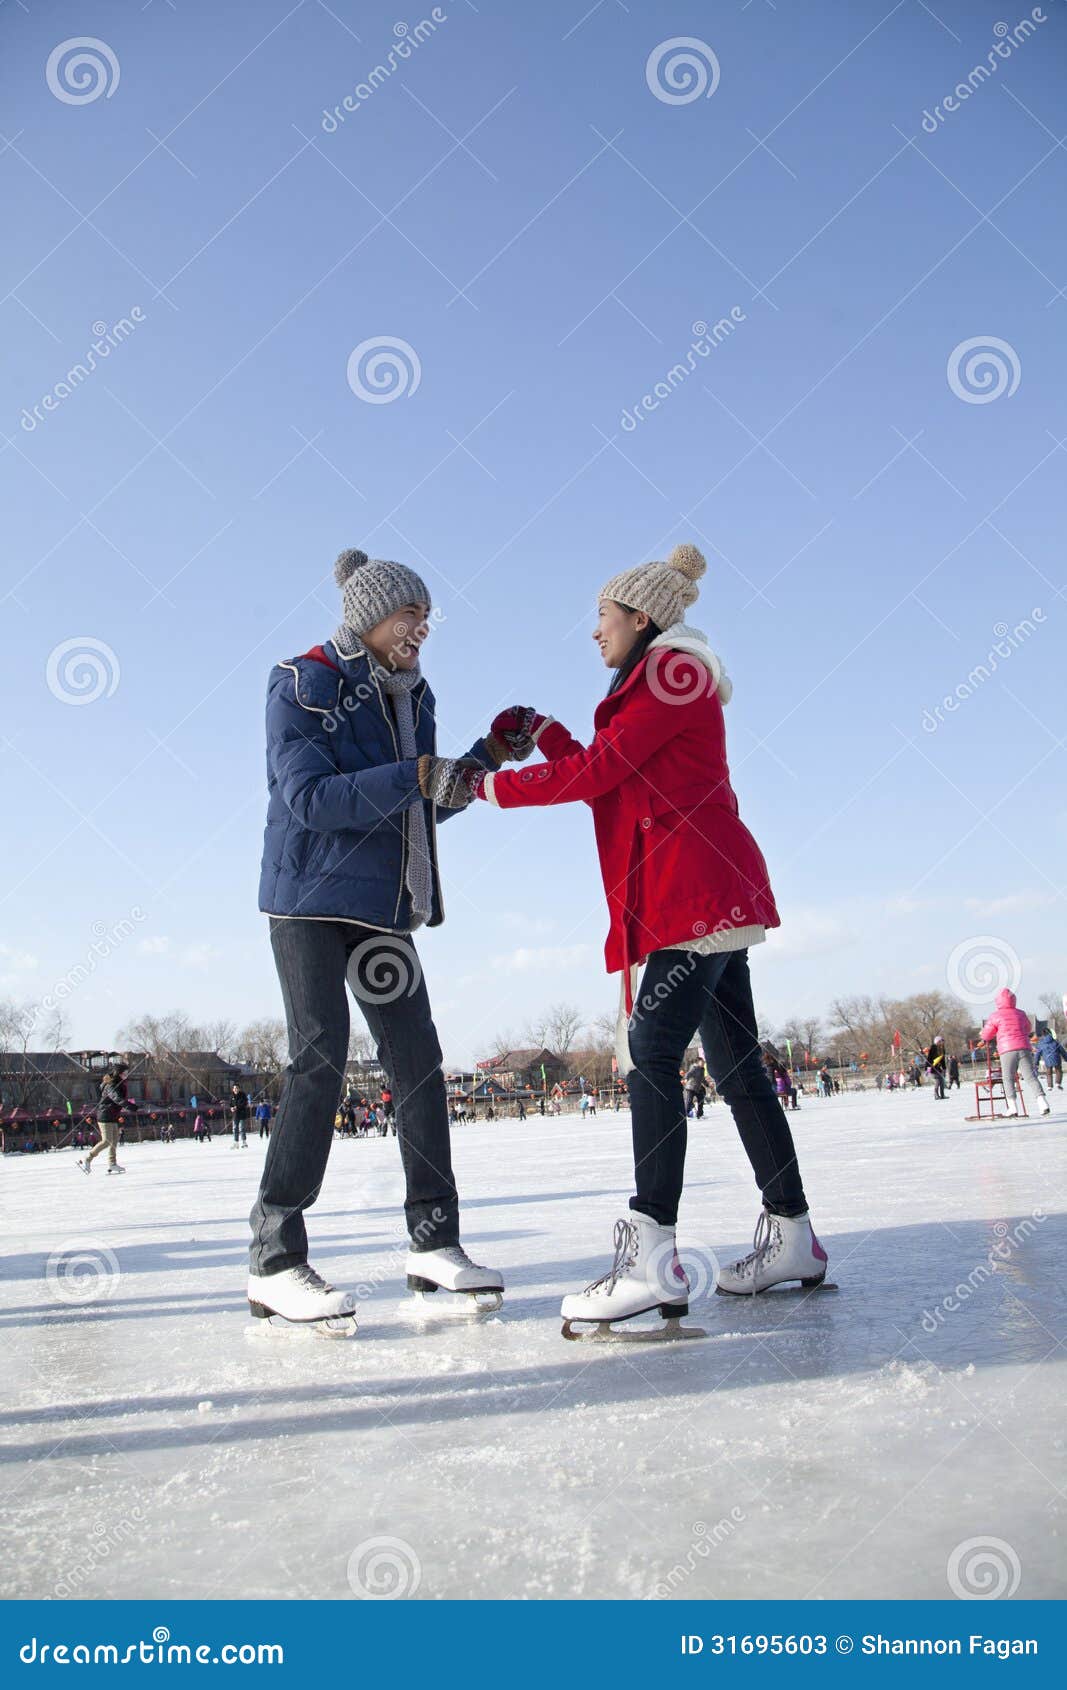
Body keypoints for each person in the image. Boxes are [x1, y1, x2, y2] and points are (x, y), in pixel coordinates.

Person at [468, 543, 826, 1328]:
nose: (592, 633)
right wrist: (549, 731)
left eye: (601, 616)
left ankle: (652, 1258)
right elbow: (611, 767)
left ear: (639, 617)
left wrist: (487, 785)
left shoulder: (674, 673)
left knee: (653, 1054)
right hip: (701, 894)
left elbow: (600, 772)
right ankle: (793, 1234)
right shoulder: (651, 683)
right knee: (736, 1067)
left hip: (691, 895)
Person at [248, 547, 521, 1329]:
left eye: (428, 617)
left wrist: (485, 759)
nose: (423, 629)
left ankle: (433, 1243)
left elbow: (417, 807)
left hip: (380, 908)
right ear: (369, 616)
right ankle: (274, 1257)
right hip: (305, 902)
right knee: (319, 1061)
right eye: (411, 614)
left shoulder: (414, 696)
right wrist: (417, 775)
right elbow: (308, 799)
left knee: (418, 1064)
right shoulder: (301, 681)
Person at [980, 990, 1050, 1118]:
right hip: (1024, 1047)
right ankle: (1042, 1103)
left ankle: (1012, 1107)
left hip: (1007, 1050)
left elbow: (986, 1034)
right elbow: (1028, 1028)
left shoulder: (996, 1016)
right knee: (1030, 1077)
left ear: (998, 1002)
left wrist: (983, 1036)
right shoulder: (1021, 1014)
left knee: (1008, 1077)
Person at [78, 1060, 132, 1174]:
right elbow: (116, 1098)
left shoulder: (119, 1083)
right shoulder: (111, 1085)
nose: (126, 1075)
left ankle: (112, 1164)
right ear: (118, 1073)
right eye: (124, 1073)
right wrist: (129, 1106)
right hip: (105, 1116)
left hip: (113, 1116)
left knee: (114, 1140)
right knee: (107, 1141)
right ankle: (87, 1158)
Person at [925, 1035, 947, 1100]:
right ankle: (936, 1095)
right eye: (941, 1041)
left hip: (939, 1068)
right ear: (937, 1042)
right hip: (933, 1067)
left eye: (942, 1041)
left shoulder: (942, 1049)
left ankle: (942, 1095)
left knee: (942, 1081)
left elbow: (942, 1060)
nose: (942, 1043)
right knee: (938, 1081)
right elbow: (929, 1059)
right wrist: (928, 1068)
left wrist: (944, 1068)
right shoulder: (933, 1047)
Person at [230, 1084, 250, 1148]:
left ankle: (244, 1142)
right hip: (235, 1115)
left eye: (237, 1088)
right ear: (233, 1089)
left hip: (242, 1114)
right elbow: (230, 1104)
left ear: (239, 1089)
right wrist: (231, 1108)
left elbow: (244, 1103)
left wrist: (237, 1107)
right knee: (235, 1128)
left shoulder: (243, 1095)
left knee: (242, 1128)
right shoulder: (232, 1096)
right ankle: (236, 1142)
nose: (235, 1089)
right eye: (234, 1088)